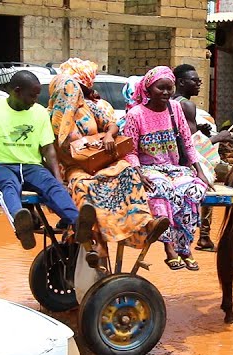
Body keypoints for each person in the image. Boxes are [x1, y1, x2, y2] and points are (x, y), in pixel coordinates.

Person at [49, 58, 167, 266]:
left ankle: (144, 224)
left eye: (73, 90)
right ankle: (97, 246)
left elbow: (111, 125)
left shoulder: (90, 108)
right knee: (84, 186)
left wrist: (109, 136)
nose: (71, 95)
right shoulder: (50, 118)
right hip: (74, 167)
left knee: (127, 171)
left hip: (99, 162)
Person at [0, 70, 88, 251]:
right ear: (17, 91)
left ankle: (77, 222)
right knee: (8, 185)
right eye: (31, 95)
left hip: (32, 167)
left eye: (37, 95)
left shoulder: (40, 113)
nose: (35, 100)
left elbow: (48, 150)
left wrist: (58, 180)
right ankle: (22, 226)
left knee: (52, 186)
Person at [120, 65, 211, 271]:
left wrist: (199, 171)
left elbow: (188, 142)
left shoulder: (175, 108)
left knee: (194, 190)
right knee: (160, 189)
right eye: (161, 88)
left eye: (169, 88)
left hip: (174, 168)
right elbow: (130, 150)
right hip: (149, 167)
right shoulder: (136, 114)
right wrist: (138, 172)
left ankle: (185, 246)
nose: (166, 93)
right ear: (149, 89)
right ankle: (169, 248)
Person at [173, 63, 233, 252]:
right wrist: (218, 138)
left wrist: (200, 130)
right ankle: (205, 236)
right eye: (195, 80)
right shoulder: (186, 105)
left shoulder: (172, 102)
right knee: (232, 174)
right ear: (181, 82)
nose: (199, 84)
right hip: (187, 163)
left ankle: (205, 237)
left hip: (176, 160)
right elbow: (190, 146)